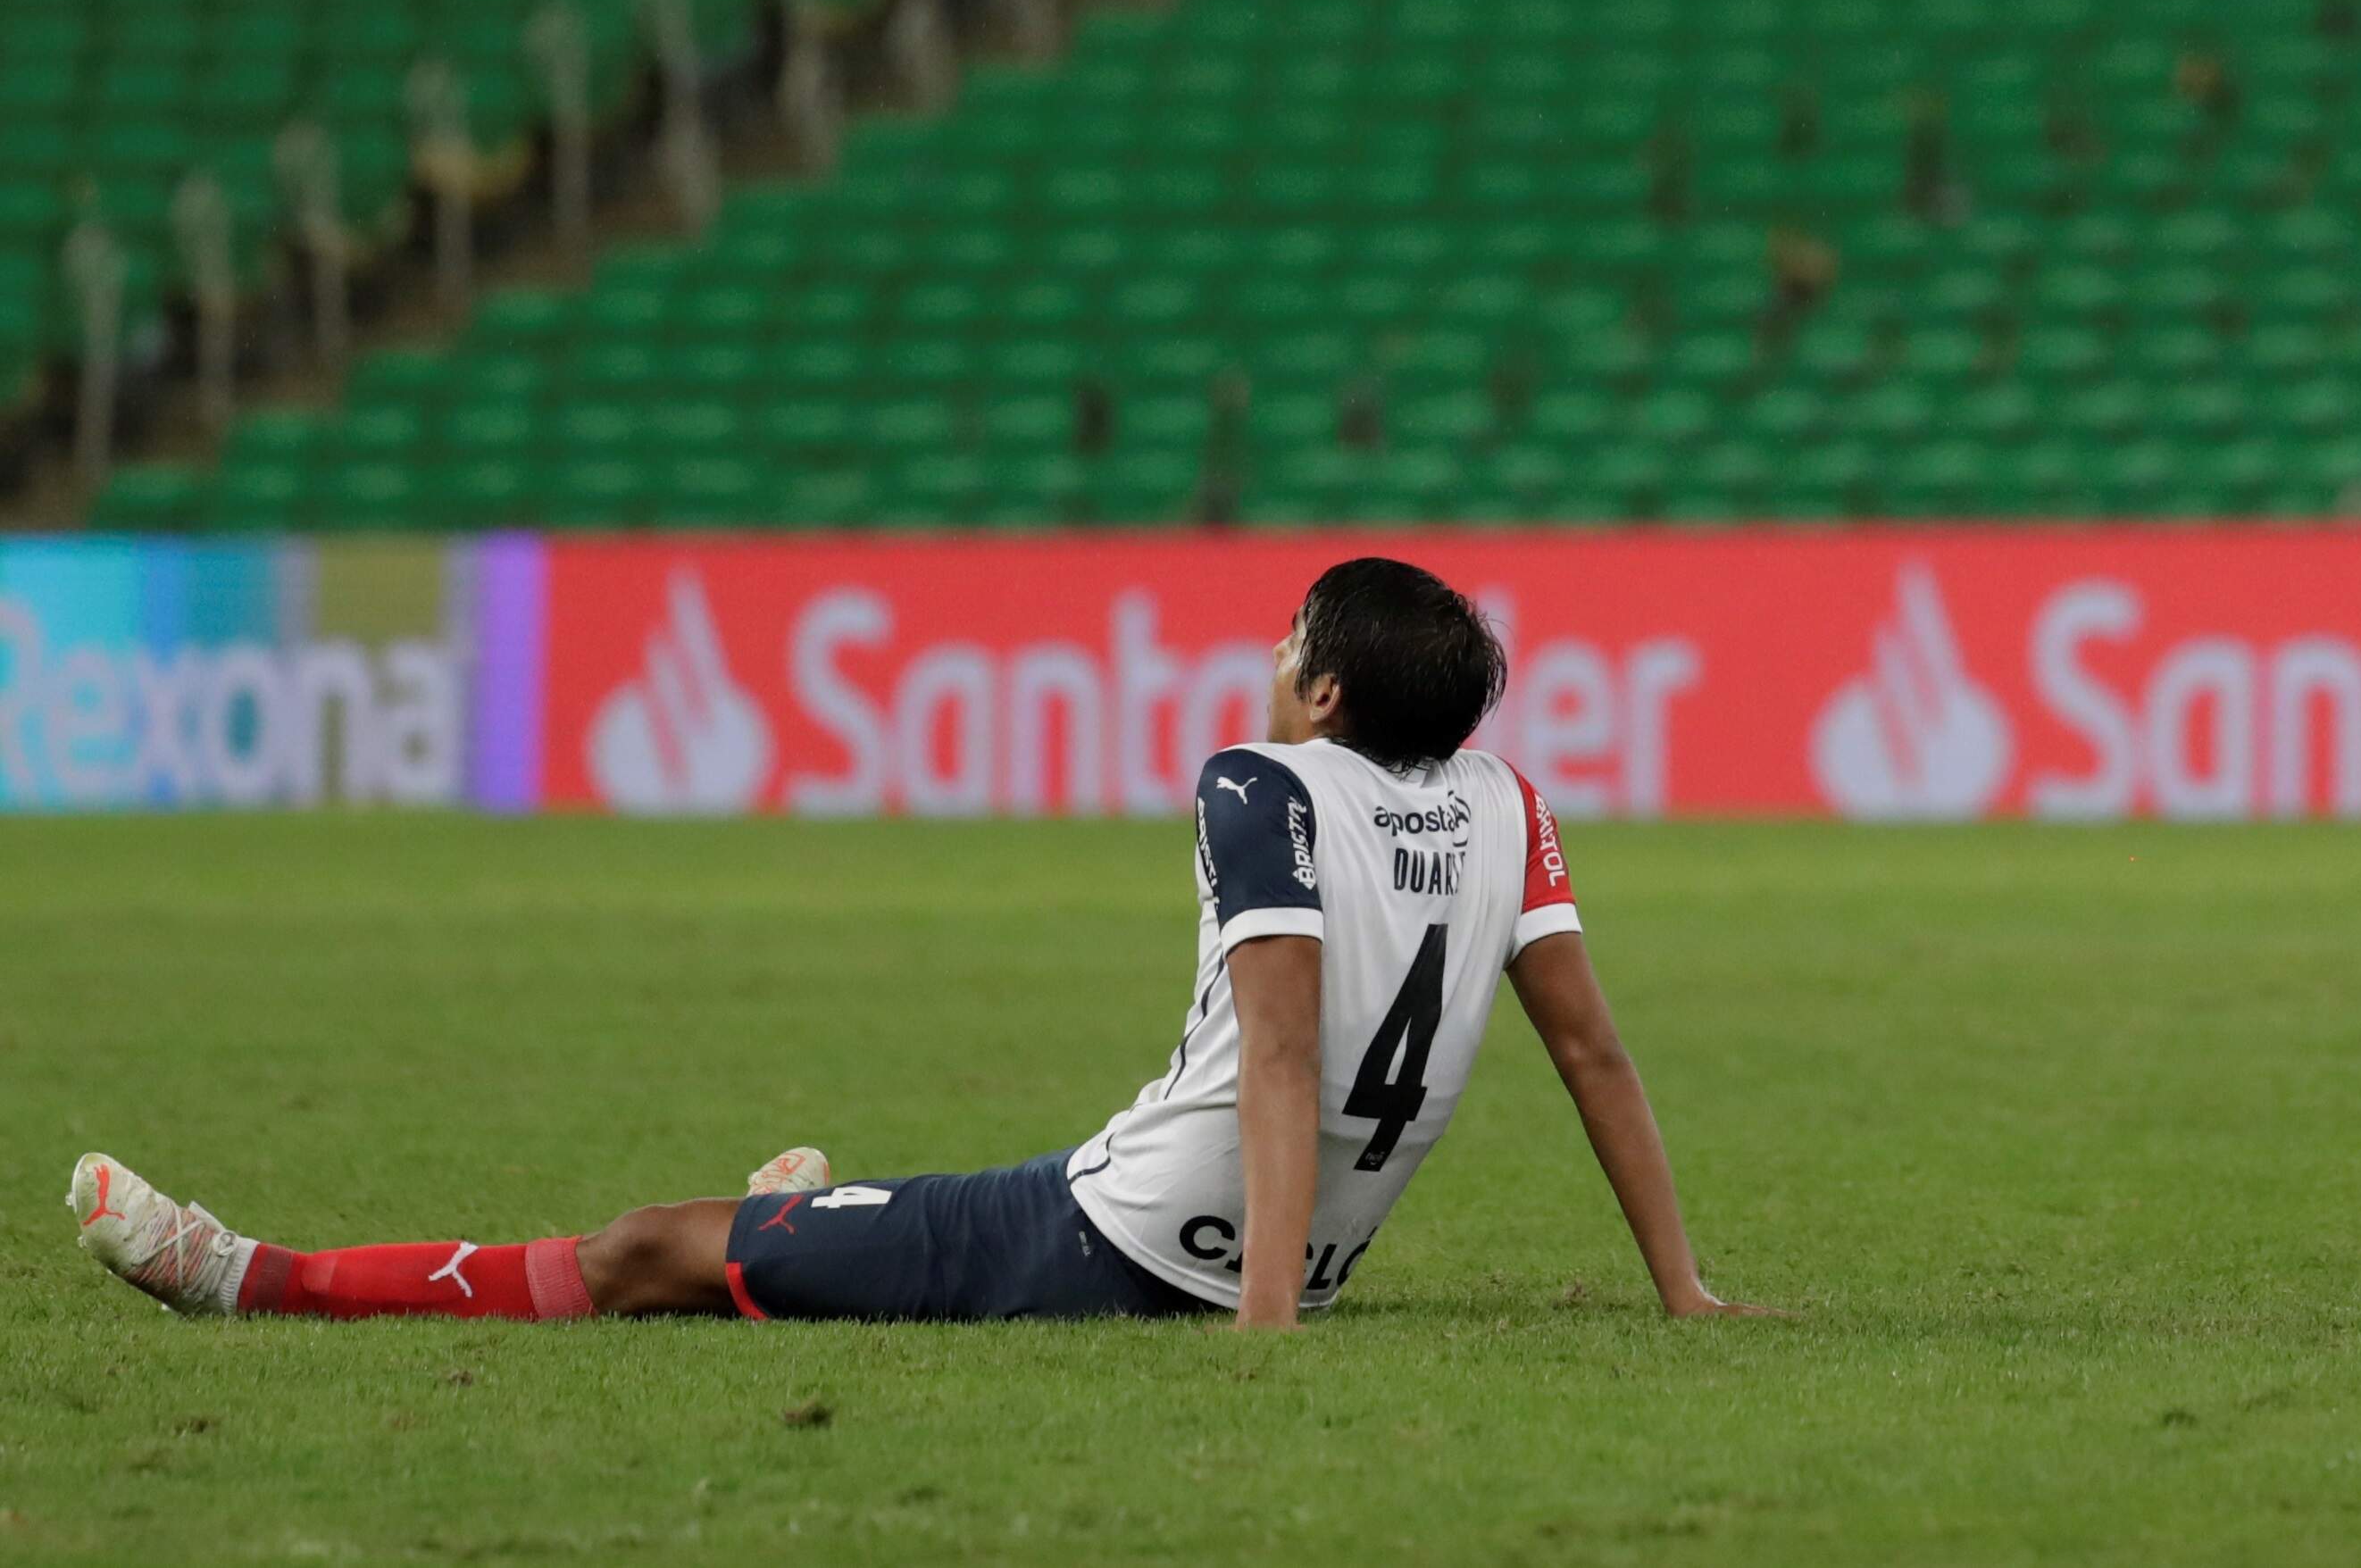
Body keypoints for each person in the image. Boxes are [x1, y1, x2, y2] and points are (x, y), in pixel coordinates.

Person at [71, 558, 1771, 1330]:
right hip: (1268, 1245)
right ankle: (803, 1221)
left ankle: (253, 1274)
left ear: (1322, 689)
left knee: (643, 1249)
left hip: (1118, 1245)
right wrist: (1681, 1291)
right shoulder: (1509, 807)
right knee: (787, 1232)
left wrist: (1259, 1323)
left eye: (1289, 641)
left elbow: (1275, 1047)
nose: (1269, 660)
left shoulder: (1264, 780)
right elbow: (1591, 1052)